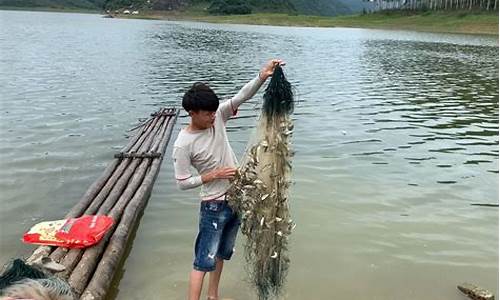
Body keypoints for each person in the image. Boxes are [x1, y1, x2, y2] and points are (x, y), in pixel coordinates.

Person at [172, 59, 285, 300]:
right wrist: (213, 175)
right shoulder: (183, 144)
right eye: (207, 113)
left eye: (214, 111)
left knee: (223, 253)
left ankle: (213, 296)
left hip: (236, 200)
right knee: (204, 260)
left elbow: (241, 96)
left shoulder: (219, 118)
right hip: (212, 206)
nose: (213, 116)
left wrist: (262, 76)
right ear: (192, 113)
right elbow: (181, 182)